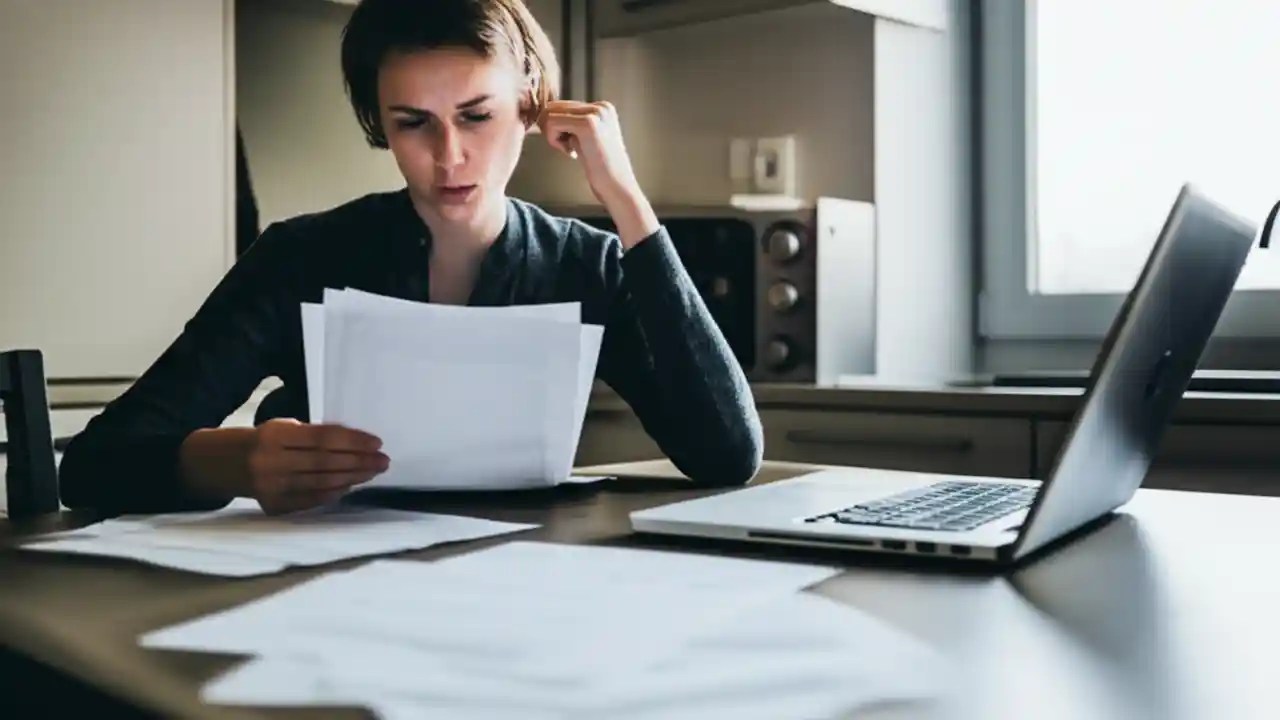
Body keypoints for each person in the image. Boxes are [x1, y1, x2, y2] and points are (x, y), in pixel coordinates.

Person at [59, 0, 762, 516]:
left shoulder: (586, 266)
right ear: (378, 124)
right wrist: (233, 461)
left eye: (476, 115)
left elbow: (726, 454)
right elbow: (94, 467)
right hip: (317, 589)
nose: (449, 156)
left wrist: (626, 199)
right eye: (412, 123)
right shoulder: (301, 257)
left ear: (529, 106)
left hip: (529, 594)